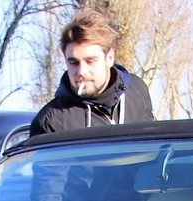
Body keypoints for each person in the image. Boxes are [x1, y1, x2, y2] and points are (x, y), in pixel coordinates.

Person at [29, 8, 153, 136]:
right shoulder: (52, 122)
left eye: (90, 61)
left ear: (110, 57)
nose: (82, 72)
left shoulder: (136, 91)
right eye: (74, 62)